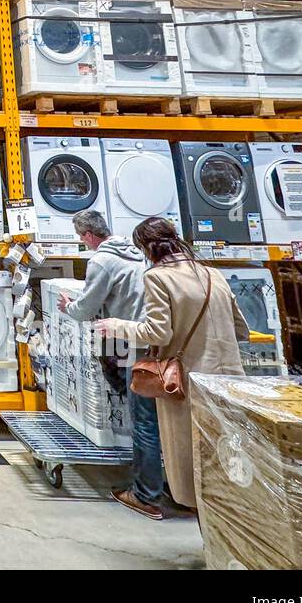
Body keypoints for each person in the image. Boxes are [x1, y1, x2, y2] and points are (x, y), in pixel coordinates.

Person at [94, 216, 249, 513]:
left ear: (145, 248)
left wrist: (118, 326)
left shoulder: (157, 277)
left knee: (148, 427)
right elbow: (240, 329)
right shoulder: (211, 274)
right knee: (213, 438)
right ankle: (210, 500)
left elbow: (157, 333)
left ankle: (147, 495)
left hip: (180, 377)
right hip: (226, 375)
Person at [57, 210, 164, 519]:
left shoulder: (101, 261)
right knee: (152, 414)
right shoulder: (137, 254)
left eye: (81, 237)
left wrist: (68, 307)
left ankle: (147, 494)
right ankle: (162, 478)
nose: (81, 242)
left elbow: (86, 306)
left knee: (141, 417)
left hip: (127, 339)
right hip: (154, 337)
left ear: (89, 236)